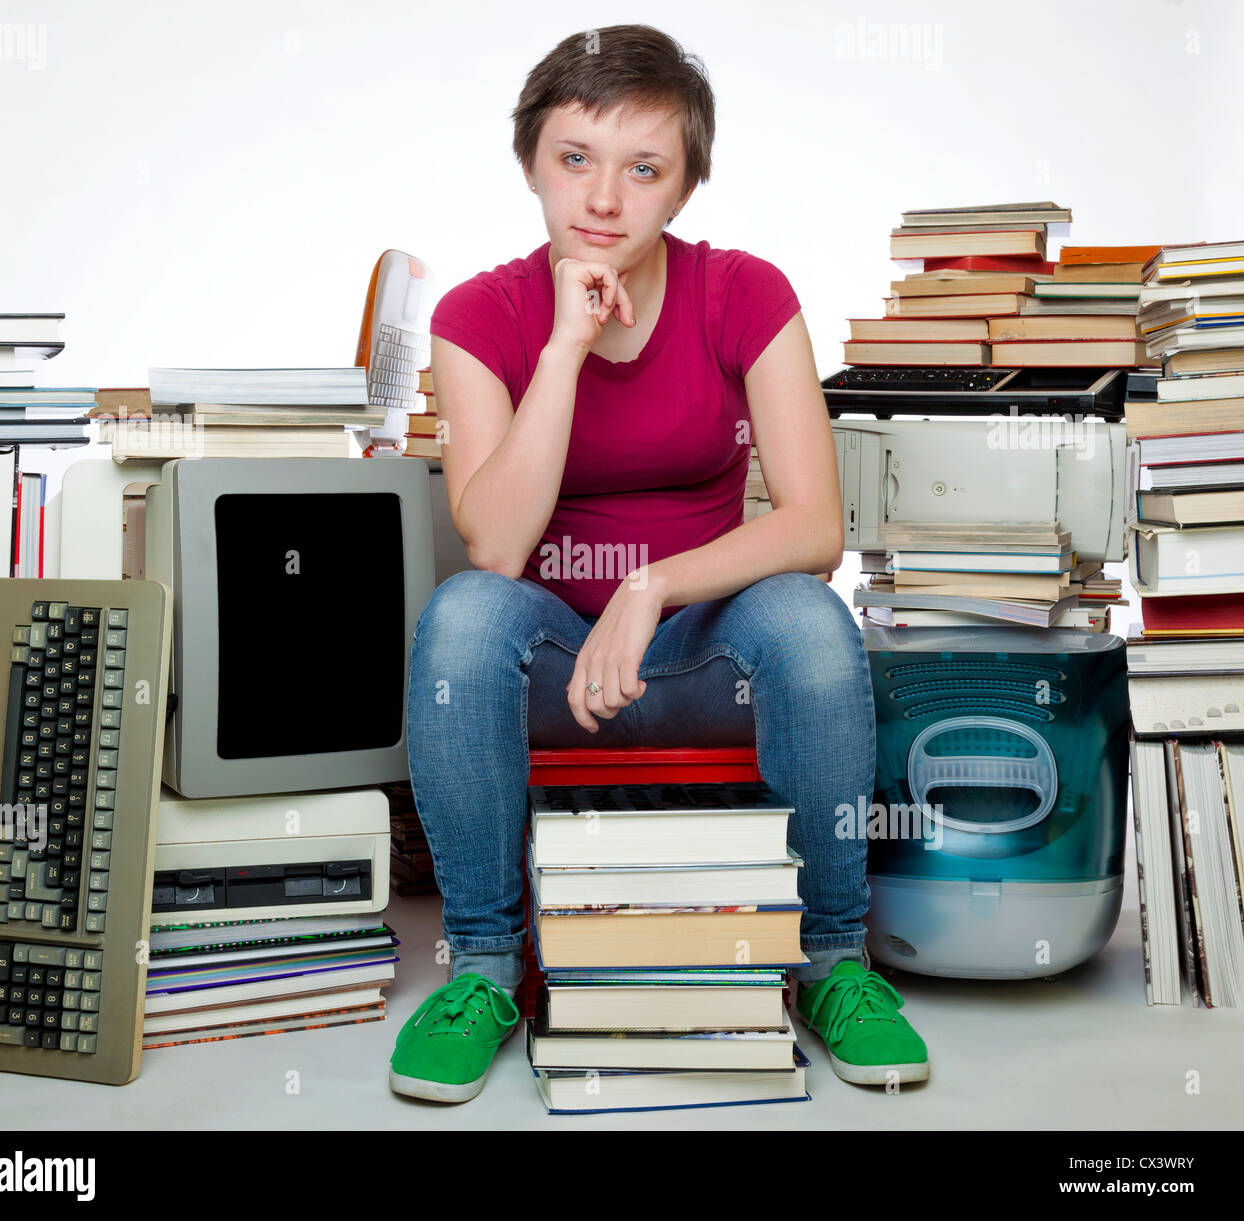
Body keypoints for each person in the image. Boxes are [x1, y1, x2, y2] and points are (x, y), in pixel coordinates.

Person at [389, 23, 929, 1104]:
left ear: (683, 188)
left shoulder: (745, 293)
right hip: (547, 669)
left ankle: (832, 962)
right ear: (531, 163)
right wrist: (562, 347)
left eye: (644, 168)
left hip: (704, 660)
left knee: (810, 618)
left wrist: (651, 585)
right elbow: (496, 540)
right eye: (573, 159)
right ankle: (487, 969)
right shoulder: (477, 315)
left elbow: (816, 525)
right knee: (462, 613)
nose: (603, 198)